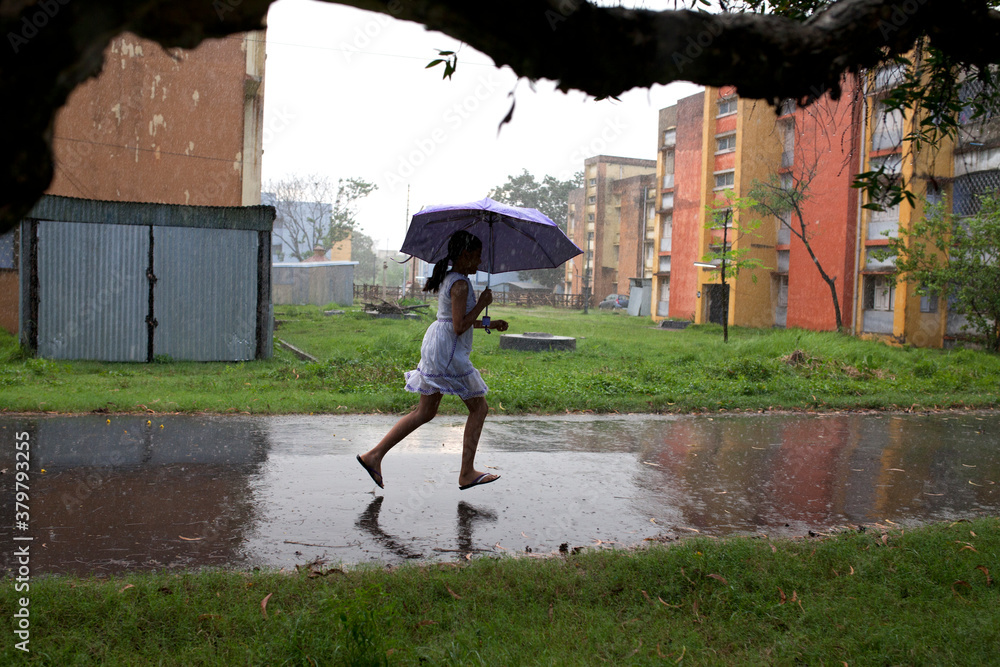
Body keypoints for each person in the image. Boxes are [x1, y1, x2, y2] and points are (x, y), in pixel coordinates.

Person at [357, 230, 508, 491]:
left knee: (425, 412)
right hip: (449, 351)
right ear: (464, 255)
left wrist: (490, 323)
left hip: (440, 346)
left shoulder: (453, 278)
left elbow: (454, 318)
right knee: (479, 409)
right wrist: (483, 302)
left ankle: (374, 456)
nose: (479, 262)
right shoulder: (460, 283)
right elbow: (460, 325)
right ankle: (466, 473)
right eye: (476, 256)